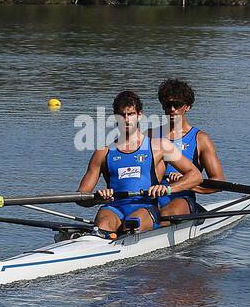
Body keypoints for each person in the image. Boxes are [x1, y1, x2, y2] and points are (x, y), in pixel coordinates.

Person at [77, 89, 202, 235]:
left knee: (133, 222)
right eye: (122, 115)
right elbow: (81, 196)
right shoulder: (103, 152)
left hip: (145, 207)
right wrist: (97, 198)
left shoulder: (159, 146)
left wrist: (168, 189)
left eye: (130, 114)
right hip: (113, 207)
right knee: (103, 223)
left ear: (139, 115)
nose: (127, 119)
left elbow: (195, 176)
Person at [153, 78, 225, 223]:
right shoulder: (150, 136)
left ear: (187, 107)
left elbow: (219, 182)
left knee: (166, 213)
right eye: (168, 104)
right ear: (162, 106)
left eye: (177, 105)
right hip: (152, 197)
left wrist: (186, 182)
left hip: (182, 200)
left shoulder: (201, 139)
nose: (172, 109)